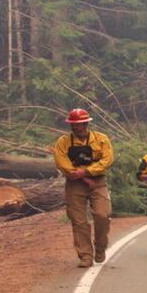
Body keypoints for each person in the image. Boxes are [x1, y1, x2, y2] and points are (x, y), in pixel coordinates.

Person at [53, 109, 115, 268]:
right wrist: (80, 176)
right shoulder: (63, 142)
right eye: (73, 125)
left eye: (79, 124)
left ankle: (100, 247)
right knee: (78, 220)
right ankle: (85, 255)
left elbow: (107, 160)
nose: (76, 127)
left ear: (86, 123)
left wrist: (87, 171)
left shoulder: (101, 139)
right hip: (75, 184)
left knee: (103, 214)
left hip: (97, 182)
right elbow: (61, 162)